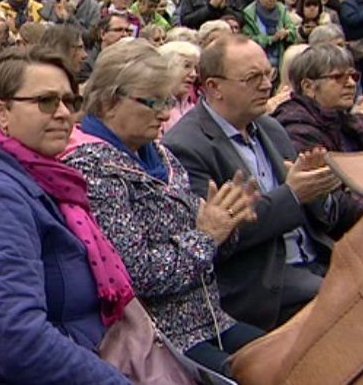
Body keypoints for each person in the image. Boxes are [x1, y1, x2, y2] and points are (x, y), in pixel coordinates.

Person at [63, 40, 263, 376]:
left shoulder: (158, 153)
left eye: (168, 100)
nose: (166, 114)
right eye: (153, 102)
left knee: (294, 356)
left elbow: (204, 242)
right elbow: (137, 274)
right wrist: (206, 237)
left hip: (211, 319)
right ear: (111, 102)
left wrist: (226, 223)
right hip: (156, 340)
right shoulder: (92, 169)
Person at [0, 46, 129, 384]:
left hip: (94, 354)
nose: (64, 113)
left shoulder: (45, 175)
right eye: (46, 101)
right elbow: (21, 341)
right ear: (1, 112)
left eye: (70, 101)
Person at [162, 35, 343, 330]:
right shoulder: (185, 146)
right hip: (260, 283)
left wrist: (319, 186)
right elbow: (222, 237)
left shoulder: (270, 128)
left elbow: (321, 215)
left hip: (318, 258)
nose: (266, 85)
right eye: (252, 78)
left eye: (268, 74)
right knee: (350, 306)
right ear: (214, 87)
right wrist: (293, 194)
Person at [271, 43, 363, 239]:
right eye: (338, 77)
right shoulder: (297, 128)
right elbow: (334, 207)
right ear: (309, 87)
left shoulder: (355, 123)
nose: (351, 84)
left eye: (353, 76)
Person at [242, 0, 299, 68]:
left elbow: (292, 29)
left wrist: (286, 33)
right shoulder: (249, 13)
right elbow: (248, 39)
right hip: (257, 60)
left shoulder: (282, 9)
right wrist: (271, 39)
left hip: (279, 60)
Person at [158, 40, 201, 133]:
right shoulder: (155, 108)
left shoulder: (196, 107)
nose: (194, 74)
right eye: (187, 66)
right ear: (167, 67)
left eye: (195, 68)